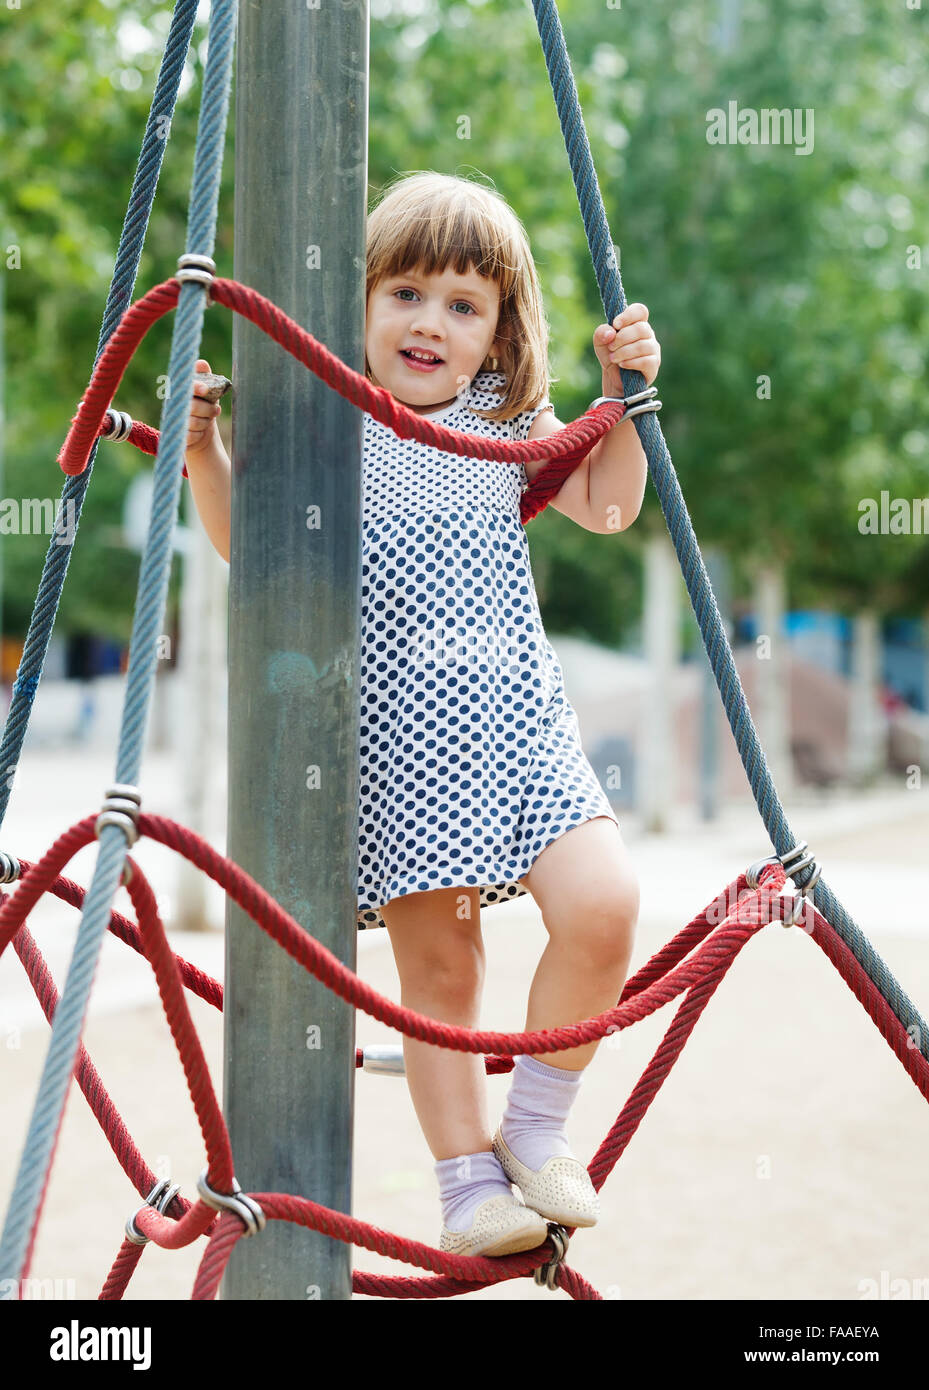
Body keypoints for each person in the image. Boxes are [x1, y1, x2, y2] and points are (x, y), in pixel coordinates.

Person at [184, 171, 660, 1259]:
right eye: (403, 292)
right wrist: (207, 446)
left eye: (461, 304)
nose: (427, 323)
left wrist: (623, 399)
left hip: (518, 723)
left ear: (498, 331)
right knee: (441, 977)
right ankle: (462, 1184)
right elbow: (238, 543)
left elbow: (608, 504)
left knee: (604, 906)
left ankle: (535, 1133)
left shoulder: (505, 419)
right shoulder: (327, 424)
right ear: (359, 302)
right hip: (399, 740)